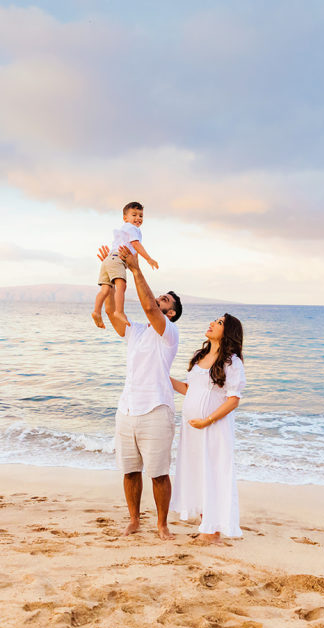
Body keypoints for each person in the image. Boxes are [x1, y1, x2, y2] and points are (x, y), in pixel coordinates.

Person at [99, 244, 182, 540]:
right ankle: (134, 520)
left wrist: (135, 268)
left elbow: (148, 307)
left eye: (164, 300)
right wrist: (111, 273)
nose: (158, 299)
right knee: (130, 471)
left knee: (158, 473)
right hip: (127, 410)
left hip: (156, 410)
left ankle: (162, 525)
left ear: (170, 312)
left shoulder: (169, 334)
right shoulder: (136, 330)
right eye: (160, 297)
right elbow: (111, 312)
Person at [170, 314, 246, 544]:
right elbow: (189, 389)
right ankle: (207, 525)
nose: (212, 324)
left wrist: (207, 420)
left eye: (219, 323)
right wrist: (164, 377)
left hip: (214, 428)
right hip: (192, 429)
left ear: (228, 332)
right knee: (198, 473)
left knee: (213, 473)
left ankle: (212, 532)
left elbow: (233, 400)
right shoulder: (200, 356)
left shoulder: (232, 362)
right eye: (214, 320)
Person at [92, 201, 159, 330]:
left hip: (108, 259)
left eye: (141, 216)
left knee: (105, 290)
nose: (138, 218)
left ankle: (96, 311)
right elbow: (136, 245)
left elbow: (134, 254)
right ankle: (119, 312)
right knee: (121, 286)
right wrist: (149, 258)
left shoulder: (126, 230)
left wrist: (136, 265)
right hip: (117, 259)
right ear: (125, 218)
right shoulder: (132, 228)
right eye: (134, 215)